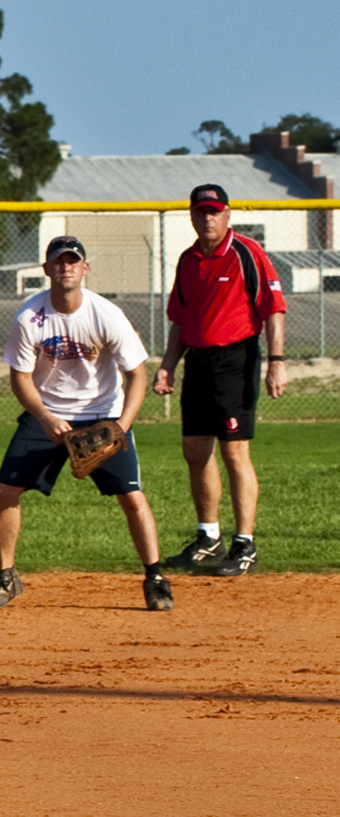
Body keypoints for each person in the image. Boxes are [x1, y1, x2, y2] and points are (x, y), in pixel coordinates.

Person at [0, 236, 171, 613]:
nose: (66, 266)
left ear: (85, 268)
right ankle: (6, 576)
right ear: (47, 269)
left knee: (132, 497)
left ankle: (155, 578)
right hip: (48, 412)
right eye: (58, 261)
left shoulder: (106, 314)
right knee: (5, 490)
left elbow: (136, 374)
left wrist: (121, 427)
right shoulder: (29, 317)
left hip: (103, 413)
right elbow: (20, 378)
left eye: (73, 260)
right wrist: (47, 418)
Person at [151, 183, 286, 577]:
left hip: (236, 358)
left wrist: (276, 362)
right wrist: (167, 365)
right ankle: (209, 539)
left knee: (234, 451)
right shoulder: (188, 260)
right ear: (192, 216)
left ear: (227, 215)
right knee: (195, 449)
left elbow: (273, 309)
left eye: (215, 211)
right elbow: (180, 318)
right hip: (197, 361)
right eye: (201, 212)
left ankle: (245, 545)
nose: (208, 218)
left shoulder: (246, 252)